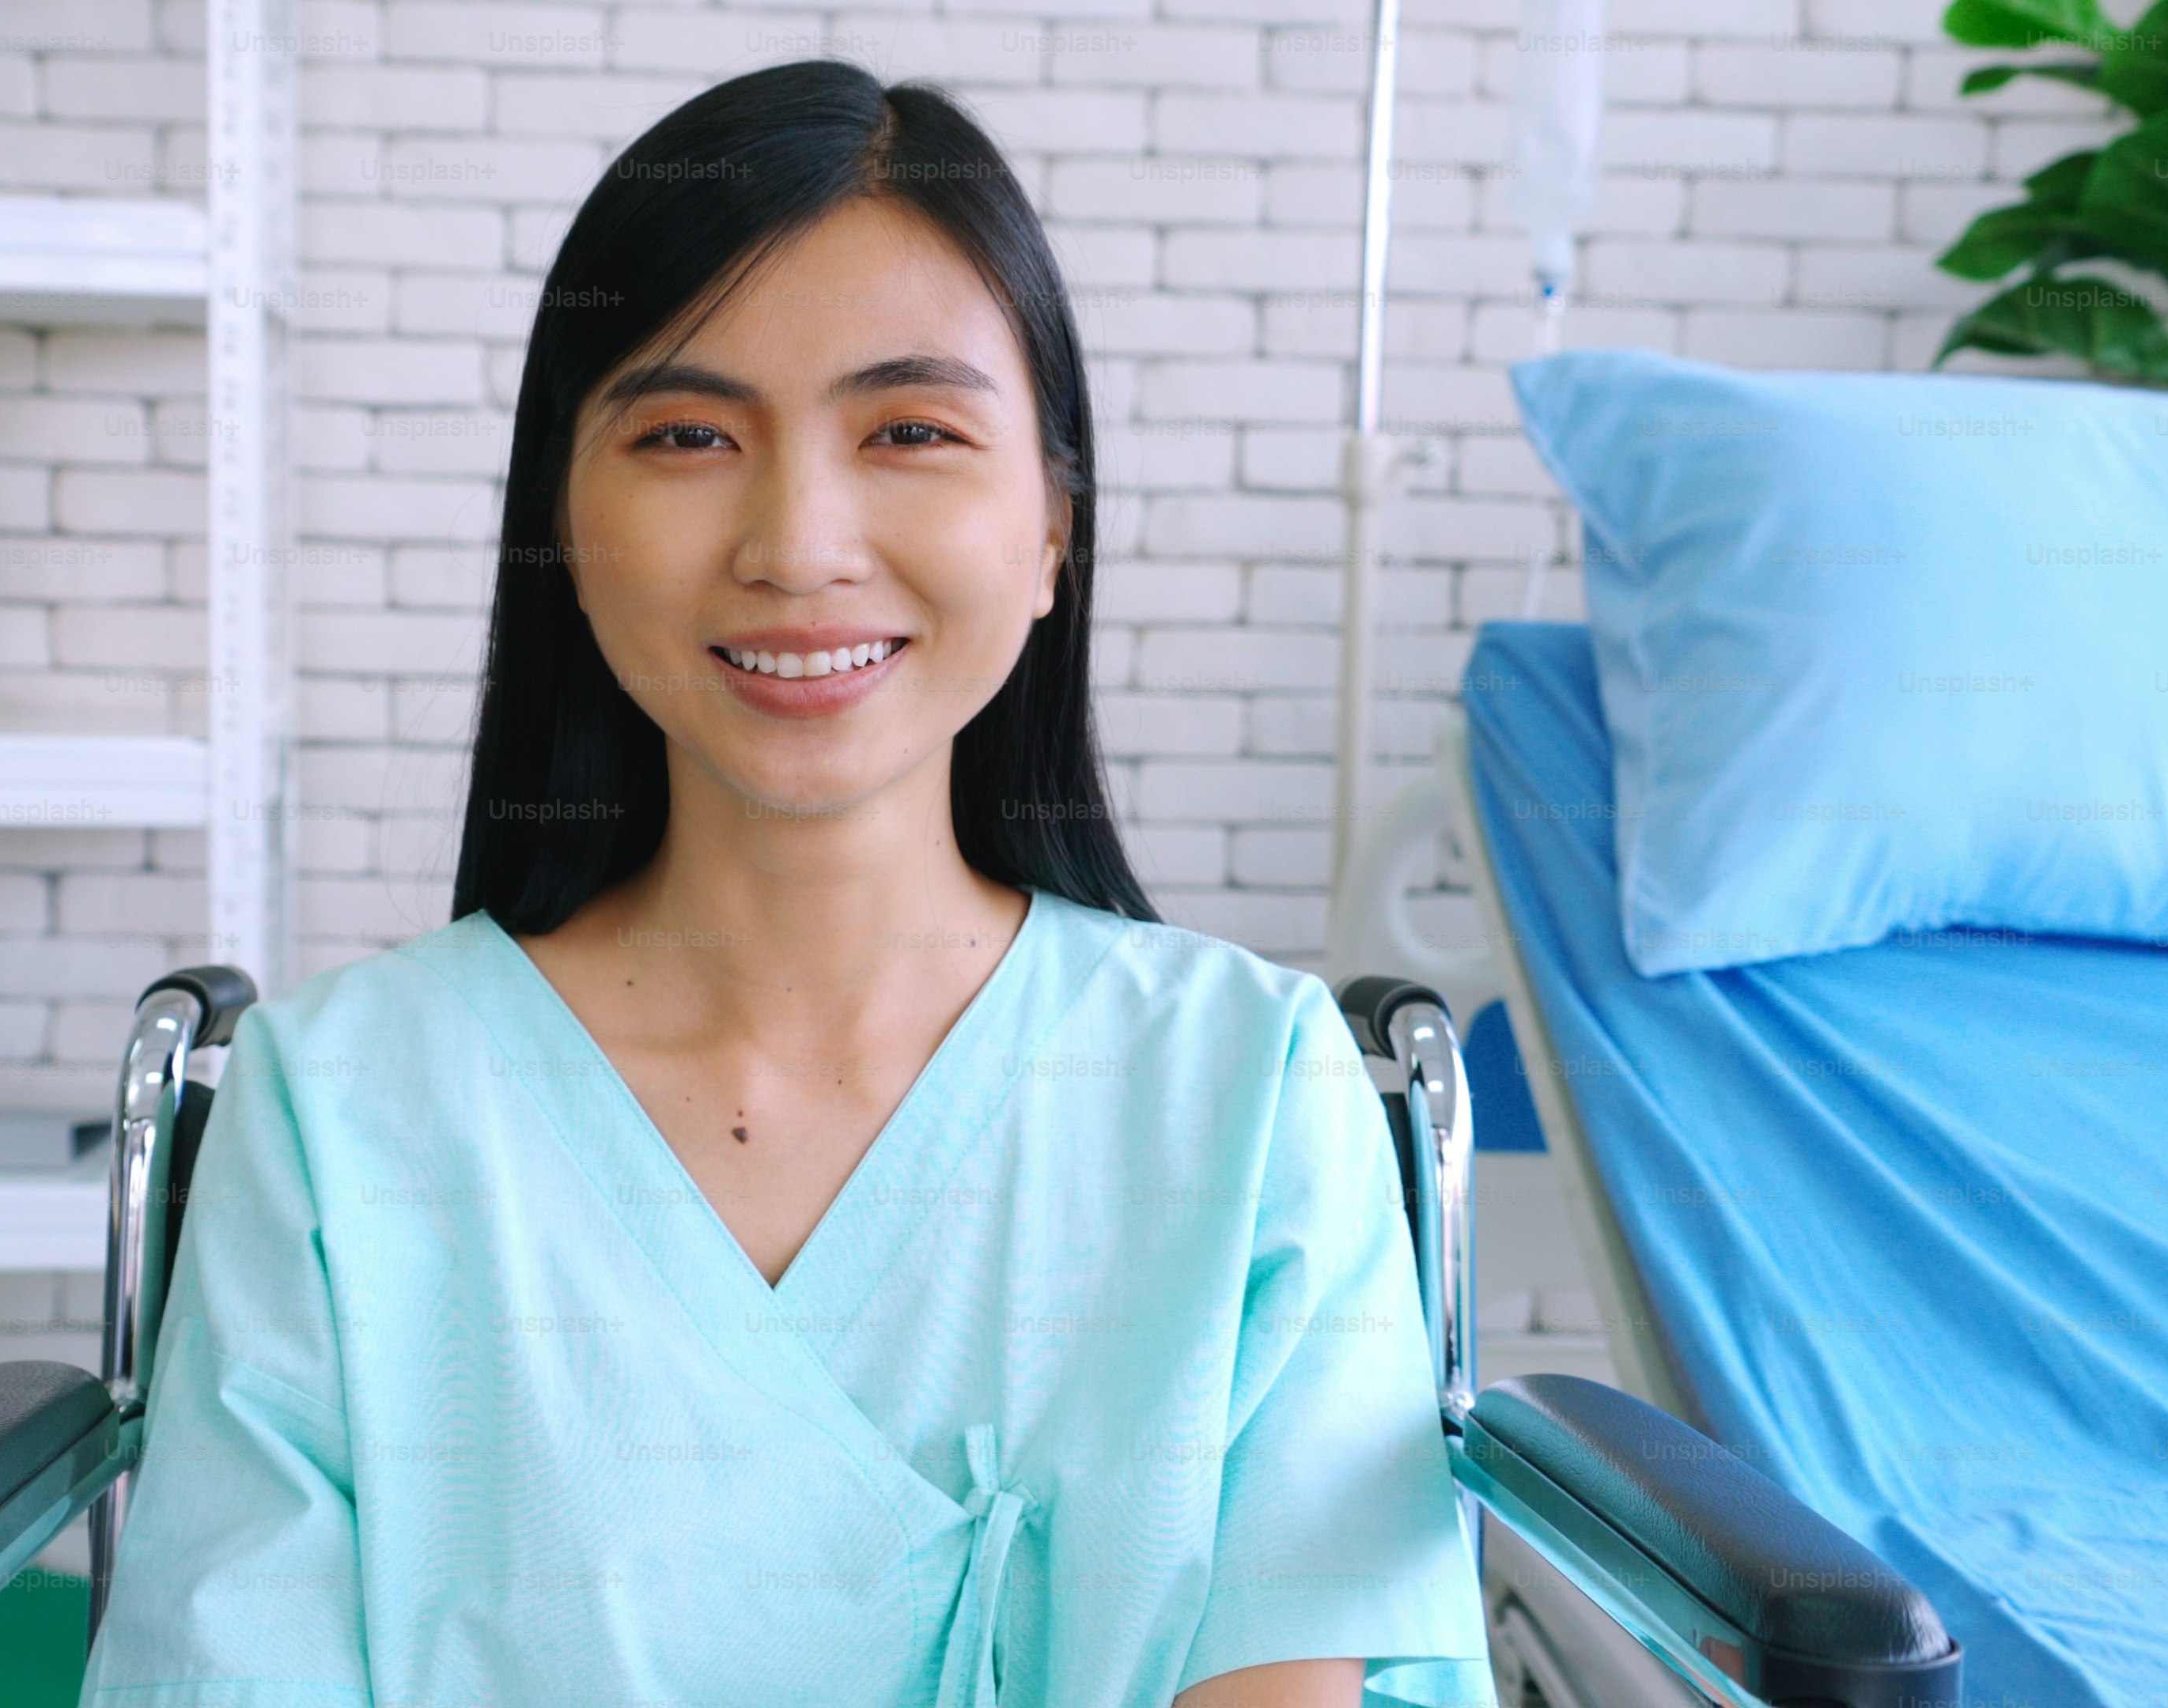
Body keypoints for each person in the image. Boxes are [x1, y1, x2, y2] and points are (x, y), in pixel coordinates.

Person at [78, 58, 1495, 1708]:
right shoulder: (345, 1111)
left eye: (909, 429)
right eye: (687, 433)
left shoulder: (1247, 1089)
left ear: (1052, 528)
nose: (798, 541)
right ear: (566, 520)